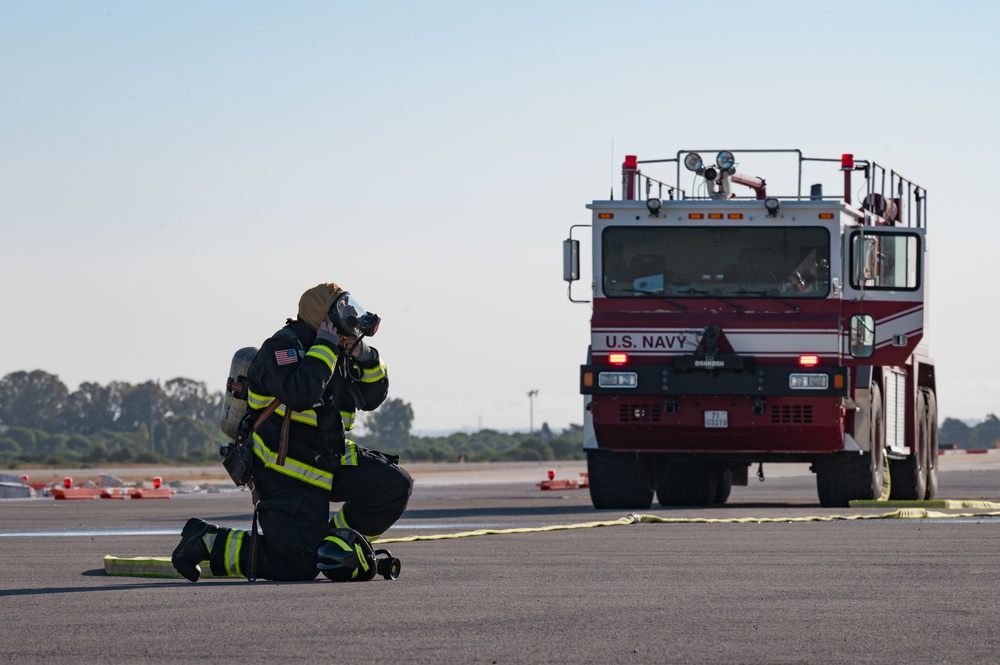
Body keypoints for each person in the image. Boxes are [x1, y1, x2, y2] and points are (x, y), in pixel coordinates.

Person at [172, 282, 413, 582]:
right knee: (298, 567)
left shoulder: (339, 348)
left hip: (326, 460)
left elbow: (373, 396)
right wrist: (325, 345)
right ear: (320, 315)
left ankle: (334, 545)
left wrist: (365, 355)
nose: (350, 316)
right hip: (285, 471)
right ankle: (208, 540)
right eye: (342, 309)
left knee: (393, 486)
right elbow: (301, 392)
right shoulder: (282, 349)